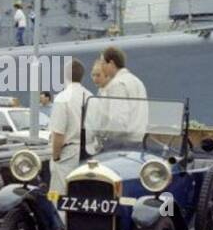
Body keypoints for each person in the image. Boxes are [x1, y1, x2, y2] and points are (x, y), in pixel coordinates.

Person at [89, 45, 148, 151]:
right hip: (138, 141)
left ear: (111, 63)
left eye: (103, 63)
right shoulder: (138, 82)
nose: (101, 67)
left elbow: (118, 121)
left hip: (119, 144)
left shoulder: (117, 84)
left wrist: (104, 136)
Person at [48, 60, 90, 194]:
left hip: (66, 155)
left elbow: (58, 133)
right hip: (87, 153)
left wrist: (55, 157)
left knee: (58, 196)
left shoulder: (62, 98)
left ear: (65, 76)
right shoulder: (90, 96)